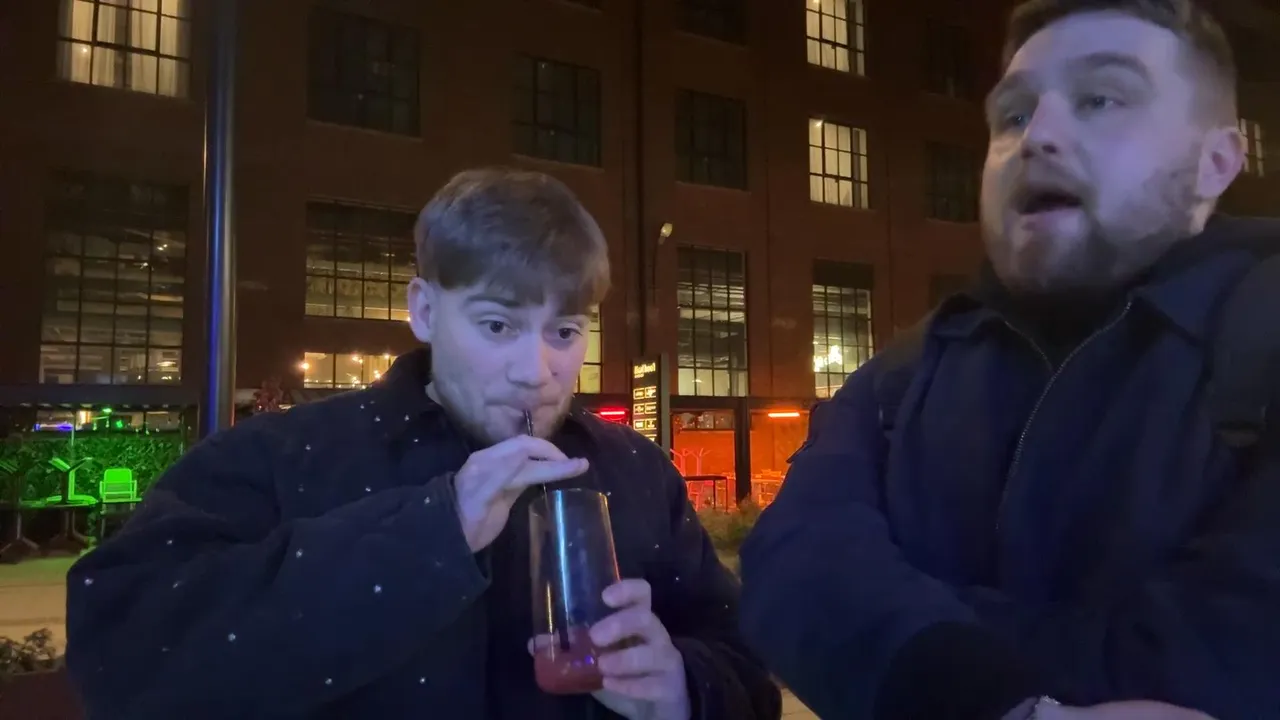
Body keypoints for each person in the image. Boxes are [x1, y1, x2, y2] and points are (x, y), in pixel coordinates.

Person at [65, 168, 781, 720]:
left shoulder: (633, 471)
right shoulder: (281, 457)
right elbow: (123, 654)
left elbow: (747, 668)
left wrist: (683, 689)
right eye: (498, 326)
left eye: (564, 332)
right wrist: (434, 531)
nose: (537, 371)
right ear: (424, 311)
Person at [739, 1, 1280, 719]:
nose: (1037, 137)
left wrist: (901, 631)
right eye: (1014, 115)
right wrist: (997, 700)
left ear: (1217, 162)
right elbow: (792, 572)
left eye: (1100, 98)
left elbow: (1232, 655)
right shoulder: (902, 375)